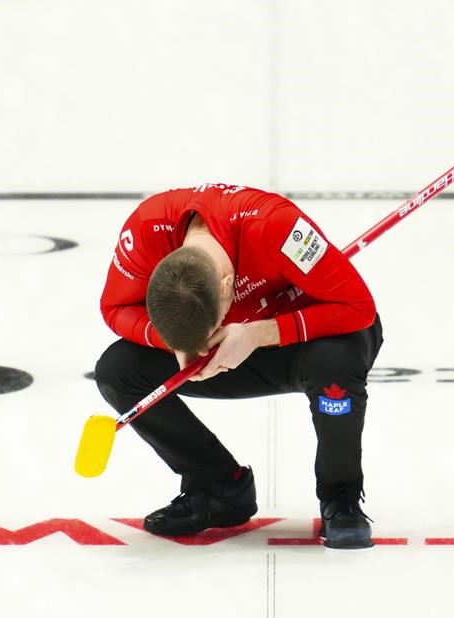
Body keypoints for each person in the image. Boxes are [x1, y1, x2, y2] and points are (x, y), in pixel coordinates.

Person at [94, 183, 383, 549]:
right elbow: (114, 308)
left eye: (211, 326)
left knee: (335, 363)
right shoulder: (145, 231)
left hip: (302, 339)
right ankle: (218, 488)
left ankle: (340, 497)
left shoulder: (278, 228)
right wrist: (173, 343)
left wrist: (258, 334)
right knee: (118, 371)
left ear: (228, 286)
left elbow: (358, 309)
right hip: (228, 346)